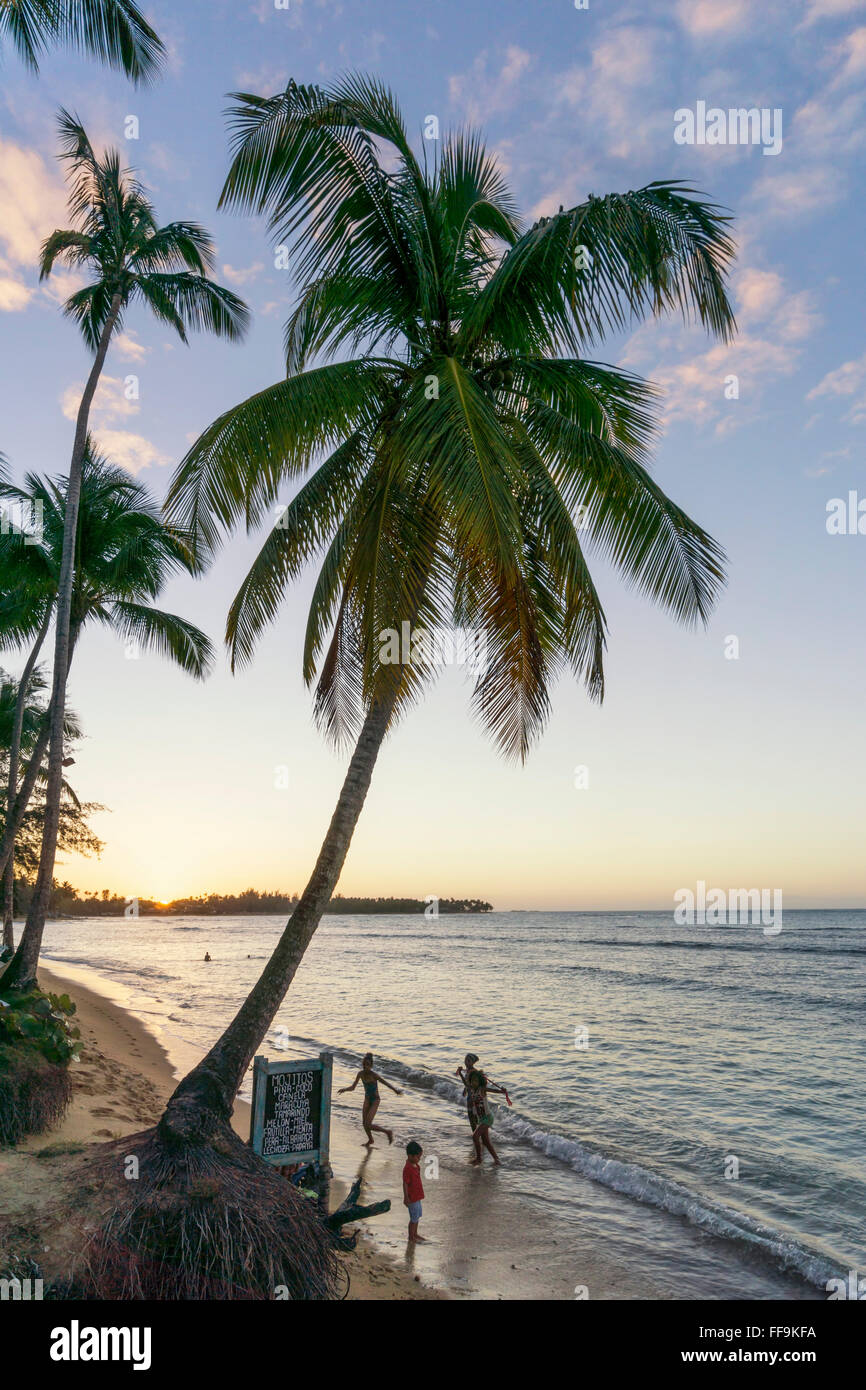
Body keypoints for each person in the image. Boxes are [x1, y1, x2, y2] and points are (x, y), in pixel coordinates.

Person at [338, 1052, 402, 1146]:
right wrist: (344, 1089)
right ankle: (371, 1140)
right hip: (367, 1099)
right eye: (363, 1064)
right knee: (364, 1124)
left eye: (367, 1065)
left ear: (371, 1066)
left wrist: (395, 1091)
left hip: (375, 1100)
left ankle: (387, 1132)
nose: (365, 1066)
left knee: (368, 1124)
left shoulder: (374, 1075)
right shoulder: (360, 1074)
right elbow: (353, 1087)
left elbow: (386, 1083)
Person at [467, 1068, 509, 1166]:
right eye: (472, 1080)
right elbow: (466, 1084)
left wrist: (502, 1091)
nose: (474, 1082)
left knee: (475, 1136)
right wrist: (461, 1073)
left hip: (487, 1118)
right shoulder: (472, 1089)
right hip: (481, 1119)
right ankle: (497, 1160)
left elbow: (493, 1090)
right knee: (485, 1141)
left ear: (480, 1082)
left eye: (476, 1081)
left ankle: (479, 1159)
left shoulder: (482, 1089)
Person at [402, 1140, 426, 1242]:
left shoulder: (416, 1166)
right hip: (412, 1197)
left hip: (417, 1196)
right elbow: (405, 1183)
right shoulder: (408, 1168)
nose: (419, 1159)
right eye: (417, 1157)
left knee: (417, 1216)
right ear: (410, 1156)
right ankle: (411, 1236)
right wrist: (406, 1197)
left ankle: (415, 1234)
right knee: (413, 1218)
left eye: (420, 1157)